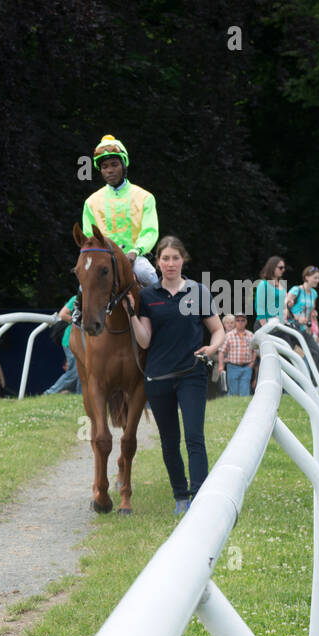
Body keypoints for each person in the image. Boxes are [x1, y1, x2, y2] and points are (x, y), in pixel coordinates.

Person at [129, 236, 225, 515]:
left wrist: (213, 347)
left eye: (175, 258)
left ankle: (200, 496)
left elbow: (218, 329)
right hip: (158, 378)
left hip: (191, 374)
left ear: (183, 260)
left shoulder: (198, 291)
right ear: (157, 262)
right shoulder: (147, 296)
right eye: (165, 258)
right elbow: (145, 341)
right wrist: (131, 316)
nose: (170, 263)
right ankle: (180, 495)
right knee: (169, 440)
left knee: (194, 436)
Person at [82, 135, 159, 290]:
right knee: (84, 285)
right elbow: (88, 236)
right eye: (105, 167)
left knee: (145, 272)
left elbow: (150, 231)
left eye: (114, 165)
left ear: (124, 166)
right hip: (103, 258)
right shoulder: (91, 202)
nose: (110, 170)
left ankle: (163, 306)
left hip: (135, 258)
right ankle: (78, 312)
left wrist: (135, 251)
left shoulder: (145, 197)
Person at [283, 265, 319, 376]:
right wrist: (296, 315)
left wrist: (314, 328)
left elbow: (312, 312)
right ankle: (302, 387)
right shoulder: (296, 290)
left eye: (318, 278)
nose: (318, 280)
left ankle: (318, 384)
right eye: (315, 278)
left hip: (304, 331)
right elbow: (284, 307)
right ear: (307, 277)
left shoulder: (314, 293)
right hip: (292, 331)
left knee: (318, 353)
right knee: (302, 358)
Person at [44, 295, 82, 395]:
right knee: (74, 371)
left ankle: (80, 395)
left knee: (83, 370)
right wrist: (78, 322)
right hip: (71, 340)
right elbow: (63, 314)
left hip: (83, 341)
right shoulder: (77, 298)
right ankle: (50, 393)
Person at [219, 314, 255, 396]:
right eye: (238, 320)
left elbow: (255, 350)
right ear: (235, 322)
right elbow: (221, 351)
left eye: (243, 320)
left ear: (246, 322)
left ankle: (245, 408)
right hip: (232, 367)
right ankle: (232, 408)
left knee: (245, 392)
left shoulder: (250, 335)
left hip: (246, 367)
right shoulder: (229, 336)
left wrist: (252, 362)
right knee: (233, 392)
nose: (240, 322)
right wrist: (221, 366)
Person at [254, 257, 287, 329]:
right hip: (265, 324)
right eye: (281, 268)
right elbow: (259, 308)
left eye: (284, 267)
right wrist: (266, 327)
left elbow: (283, 306)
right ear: (272, 267)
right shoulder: (263, 284)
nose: (283, 270)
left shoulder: (282, 284)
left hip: (279, 325)